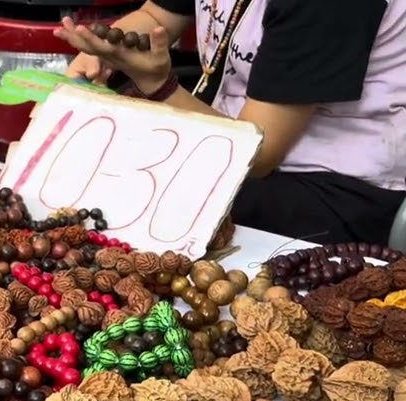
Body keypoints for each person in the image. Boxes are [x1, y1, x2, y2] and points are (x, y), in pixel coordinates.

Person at [56, 0, 406, 246]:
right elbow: (154, 15)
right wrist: (101, 48)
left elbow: (259, 153)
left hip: (331, 186)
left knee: (132, 205)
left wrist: (159, 88)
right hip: (236, 139)